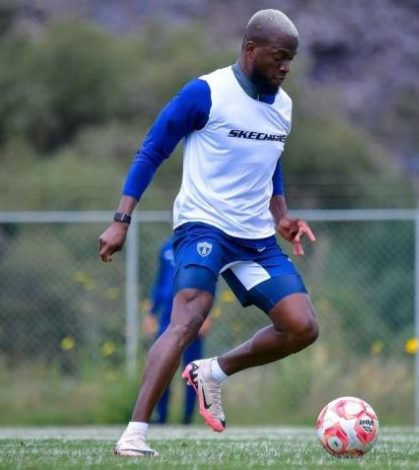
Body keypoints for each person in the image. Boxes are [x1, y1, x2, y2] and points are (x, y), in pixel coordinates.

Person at [99, 9, 319, 457]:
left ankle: (212, 372)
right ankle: (135, 432)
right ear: (251, 49)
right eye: (279, 57)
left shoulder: (284, 106)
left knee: (302, 327)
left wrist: (281, 215)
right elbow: (151, 150)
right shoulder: (205, 93)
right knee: (187, 319)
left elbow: (271, 163)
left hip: (254, 239)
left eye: (291, 59)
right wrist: (121, 220)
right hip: (203, 225)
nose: (285, 67)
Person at [143, 236, 210, 425]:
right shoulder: (166, 248)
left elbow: (210, 281)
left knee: (192, 368)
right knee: (162, 364)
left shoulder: (203, 246)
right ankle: (160, 416)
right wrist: (151, 313)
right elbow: (159, 282)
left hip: (193, 313)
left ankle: (188, 417)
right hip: (167, 315)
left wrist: (207, 314)